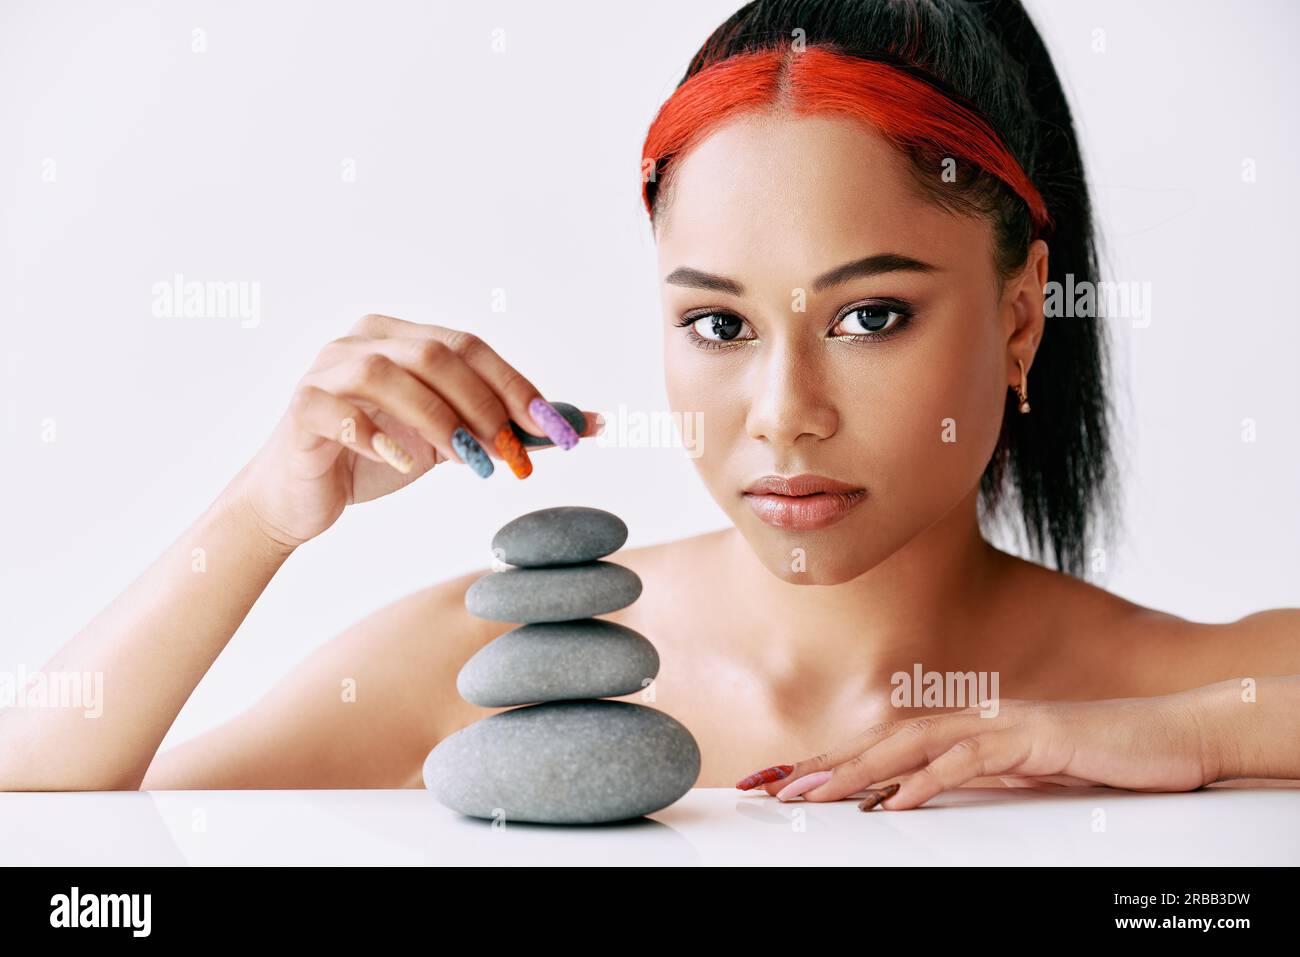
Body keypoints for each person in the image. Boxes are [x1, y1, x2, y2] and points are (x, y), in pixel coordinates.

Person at [3, 0, 1297, 807]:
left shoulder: (1167, 685)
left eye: (868, 316)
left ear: (1022, 316)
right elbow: (40, 803)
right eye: (718, 324)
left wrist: (1185, 735)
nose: (782, 413)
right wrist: (259, 515)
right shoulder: (486, 672)